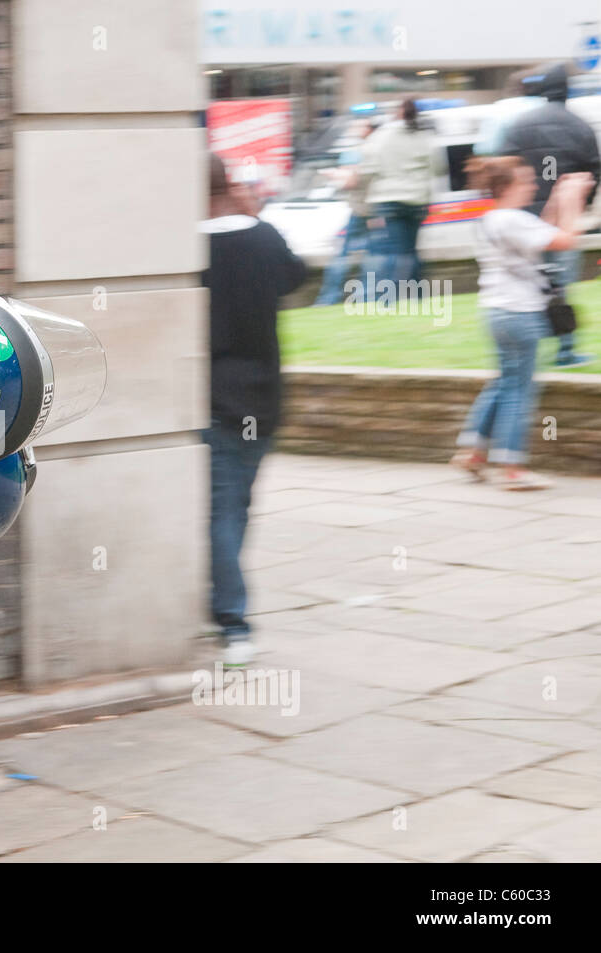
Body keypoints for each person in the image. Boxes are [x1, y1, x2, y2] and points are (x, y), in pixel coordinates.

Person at [200, 154, 307, 667]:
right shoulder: (264, 237)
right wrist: (255, 214)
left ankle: (232, 619)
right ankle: (222, 601)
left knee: (221, 510)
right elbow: (294, 276)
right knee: (237, 505)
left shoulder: (190, 249)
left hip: (213, 398)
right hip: (265, 395)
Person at [450, 157, 593, 490]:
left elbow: (543, 233)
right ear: (508, 186)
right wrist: (573, 200)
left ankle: (472, 451)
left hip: (496, 311)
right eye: (526, 180)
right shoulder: (512, 219)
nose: (532, 185)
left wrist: (559, 199)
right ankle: (512, 467)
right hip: (520, 313)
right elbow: (565, 241)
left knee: (504, 381)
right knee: (520, 389)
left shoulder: (495, 219)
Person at [501, 61, 601, 367]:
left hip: (525, 216)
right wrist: (580, 207)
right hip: (560, 219)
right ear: (566, 91)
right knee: (560, 285)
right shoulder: (579, 126)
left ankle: (525, 350)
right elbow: (594, 171)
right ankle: (565, 350)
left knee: (527, 283)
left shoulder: (519, 124)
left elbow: (503, 165)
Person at [358, 97, 441, 301]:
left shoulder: (383, 135)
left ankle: (394, 297)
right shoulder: (424, 135)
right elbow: (438, 166)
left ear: (397, 113)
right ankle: (417, 295)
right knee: (410, 249)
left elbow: (368, 166)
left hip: (389, 199)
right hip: (418, 199)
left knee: (396, 251)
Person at [314, 118, 377, 307]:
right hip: (374, 211)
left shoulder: (365, 150)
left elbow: (351, 181)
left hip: (361, 211)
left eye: (359, 125)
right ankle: (366, 297)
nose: (355, 128)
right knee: (372, 255)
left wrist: (333, 175)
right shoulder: (375, 148)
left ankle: (329, 298)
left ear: (369, 128)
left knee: (342, 255)